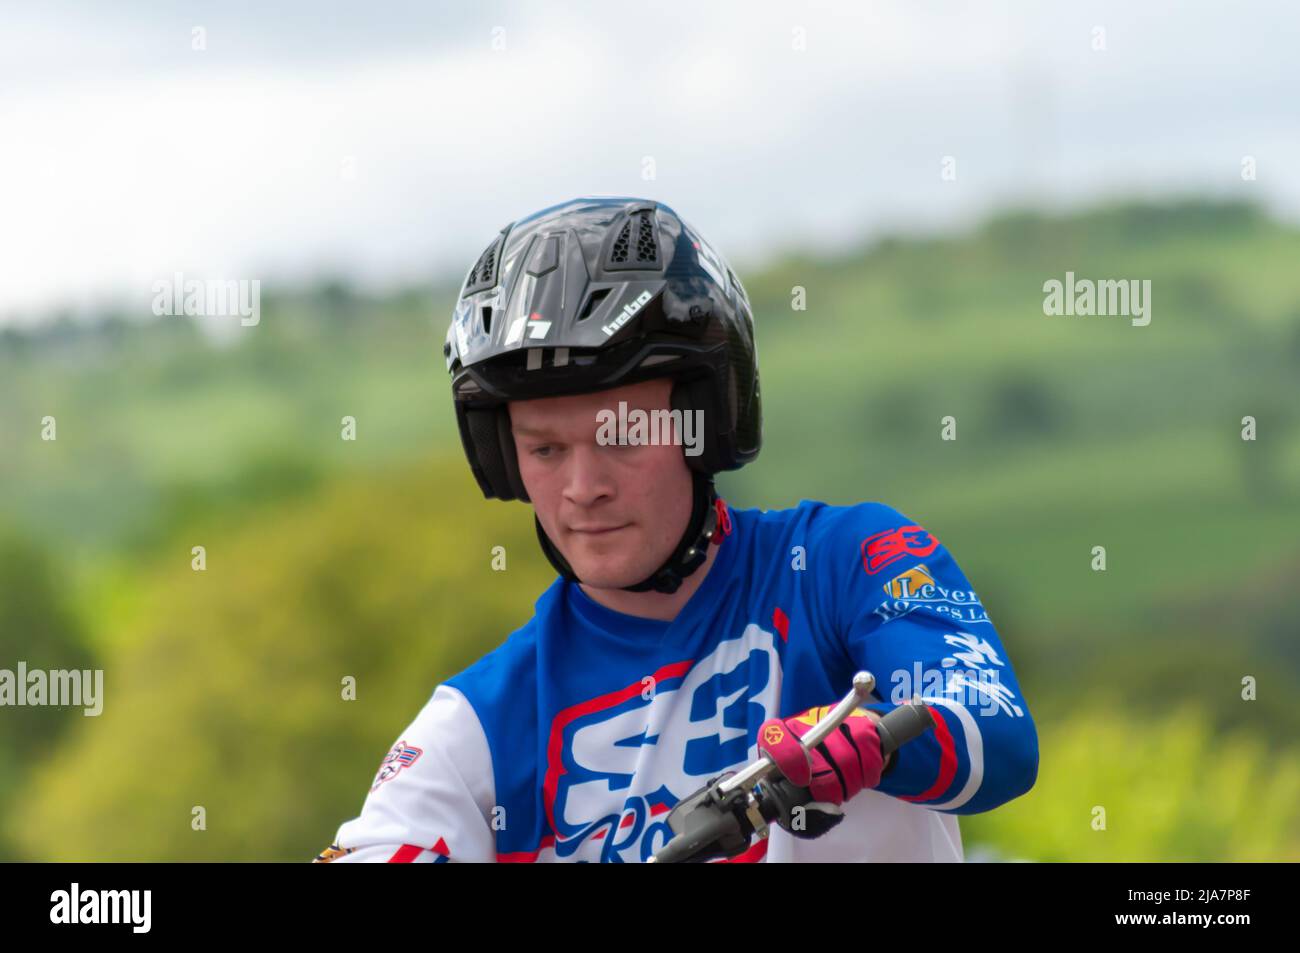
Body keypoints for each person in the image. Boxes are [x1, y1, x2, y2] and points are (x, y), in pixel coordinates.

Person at [314, 197, 1038, 863]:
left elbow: (998, 736)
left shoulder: (847, 561)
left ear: (705, 424)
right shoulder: (475, 724)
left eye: (621, 435)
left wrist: (880, 744)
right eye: (544, 449)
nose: (583, 487)